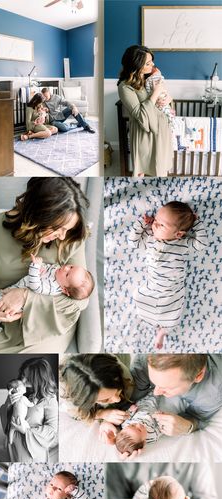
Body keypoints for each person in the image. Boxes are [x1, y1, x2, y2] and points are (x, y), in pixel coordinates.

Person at [0, 177, 91, 354]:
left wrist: (27, 297)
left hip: (45, 326)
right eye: (58, 228)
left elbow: (80, 301)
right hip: (1, 319)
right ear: (37, 216)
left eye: (68, 229)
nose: (63, 237)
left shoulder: (71, 239)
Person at [128, 201, 207, 348]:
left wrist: (196, 223)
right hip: (152, 287)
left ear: (178, 234)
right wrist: (142, 223)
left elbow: (201, 244)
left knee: (172, 317)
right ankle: (154, 325)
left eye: (161, 225)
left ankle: (162, 332)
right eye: (156, 220)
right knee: (139, 297)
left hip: (172, 292)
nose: (155, 225)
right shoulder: (150, 240)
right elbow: (133, 242)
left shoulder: (182, 244)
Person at [0, 255, 94, 338]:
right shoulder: (58, 272)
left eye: (67, 274)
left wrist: (36, 266)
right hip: (16, 288)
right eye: (71, 267)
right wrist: (42, 268)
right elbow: (48, 269)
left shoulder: (53, 288)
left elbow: (36, 286)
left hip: (17, 301)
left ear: (65, 290)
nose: (66, 268)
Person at [131, 354, 222, 437]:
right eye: (155, 382)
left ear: (198, 376)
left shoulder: (213, 392)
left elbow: (199, 418)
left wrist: (188, 426)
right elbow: (129, 394)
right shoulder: (146, 357)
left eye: (167, 387)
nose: (155, 393)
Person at [117, 45, 173, 176]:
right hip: (144, 133)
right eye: (148, 63)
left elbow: (162, 100)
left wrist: (169, 98)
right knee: (140, 172)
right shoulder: (125, 87)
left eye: (152, 60)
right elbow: (140, 116)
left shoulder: (151, 78)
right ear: (136, 65)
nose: (153, 64)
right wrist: (156, 93)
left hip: (161, 130)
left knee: (161, 170)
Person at [0, 357, 58, 462]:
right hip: (12, 444)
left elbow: (52, 430)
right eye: (23, 375)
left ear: (39, 379)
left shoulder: (50, 398)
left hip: (31, 448)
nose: (23, 381)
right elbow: (7, 415)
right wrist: (8, 403)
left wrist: (26, 431)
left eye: (28, 379)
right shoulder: (18, 389)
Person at [60, 353, 134, 424]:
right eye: (105, 399)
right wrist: (102, 414)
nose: (118, 399)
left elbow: (129, 395)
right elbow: (76, 414)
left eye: (118, 390)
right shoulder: (65, 392)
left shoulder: (121, 373)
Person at [6, 379, 34, 445]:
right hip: (21, 420)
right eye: (23, 385)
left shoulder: (14, 399)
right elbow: (30, 404)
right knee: (27, 426)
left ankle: (10, 440)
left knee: (11, 430)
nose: (25, 386)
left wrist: (10, 393)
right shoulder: (23, 398)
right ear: (18, 389)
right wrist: (33, 402)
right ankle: (29, 439)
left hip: (13, 419)